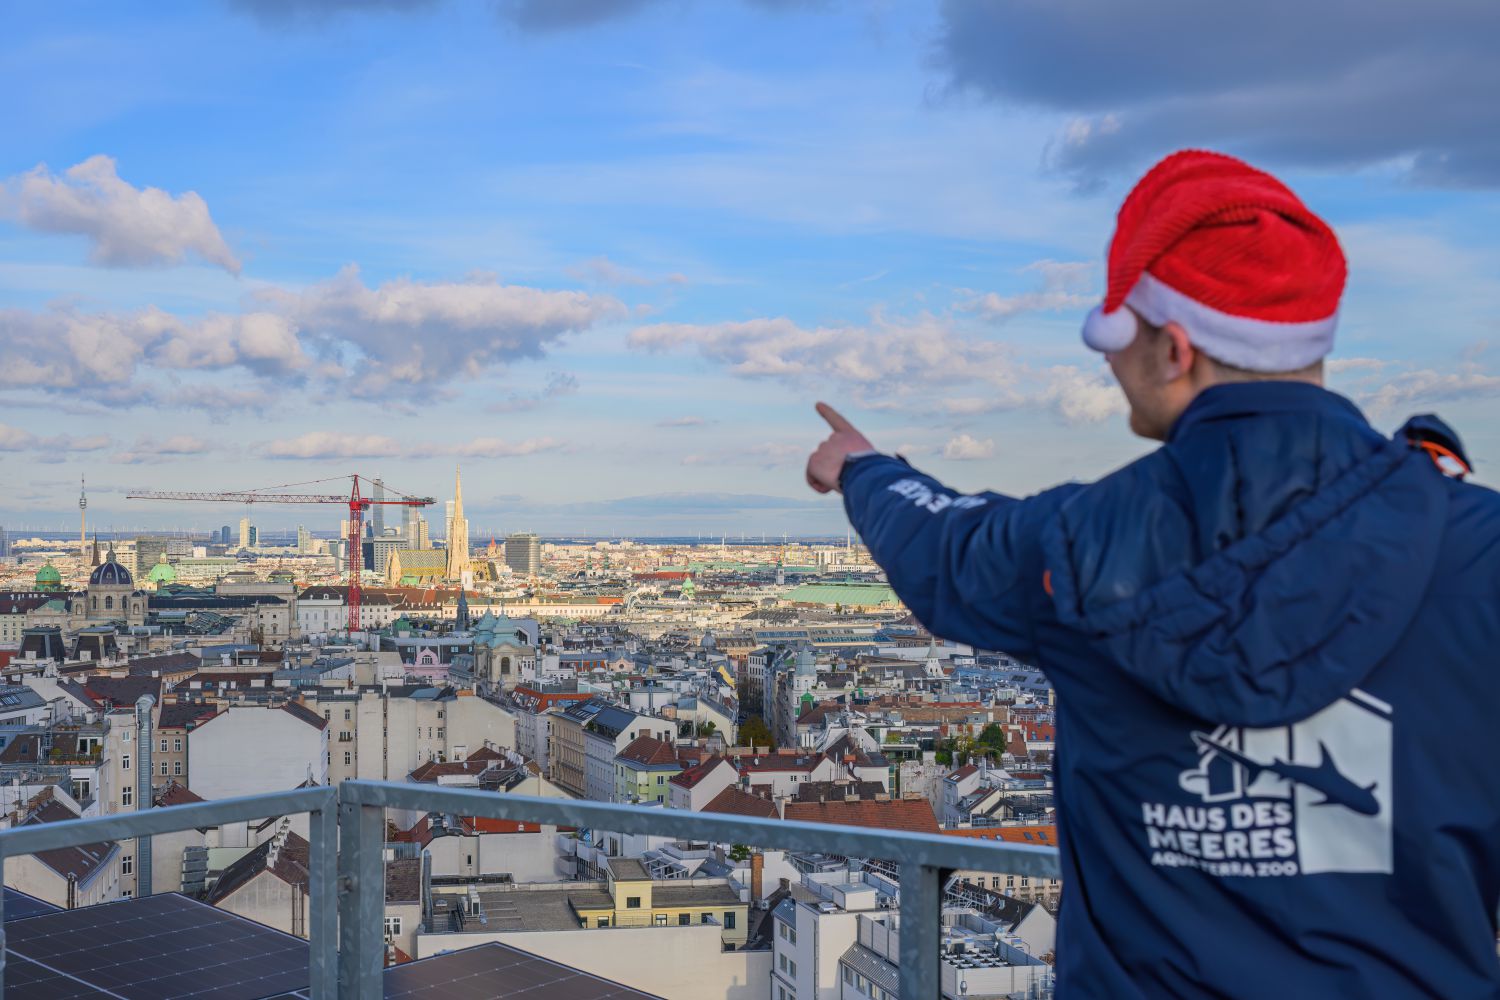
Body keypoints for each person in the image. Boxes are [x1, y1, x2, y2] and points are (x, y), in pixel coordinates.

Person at [805, 150, 1500, 999]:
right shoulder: (1479, 547)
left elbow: (941, 546)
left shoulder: (1078, 541)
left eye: (1118, 335)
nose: (1110, 362)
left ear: (1175, 348)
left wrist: (863, 469)